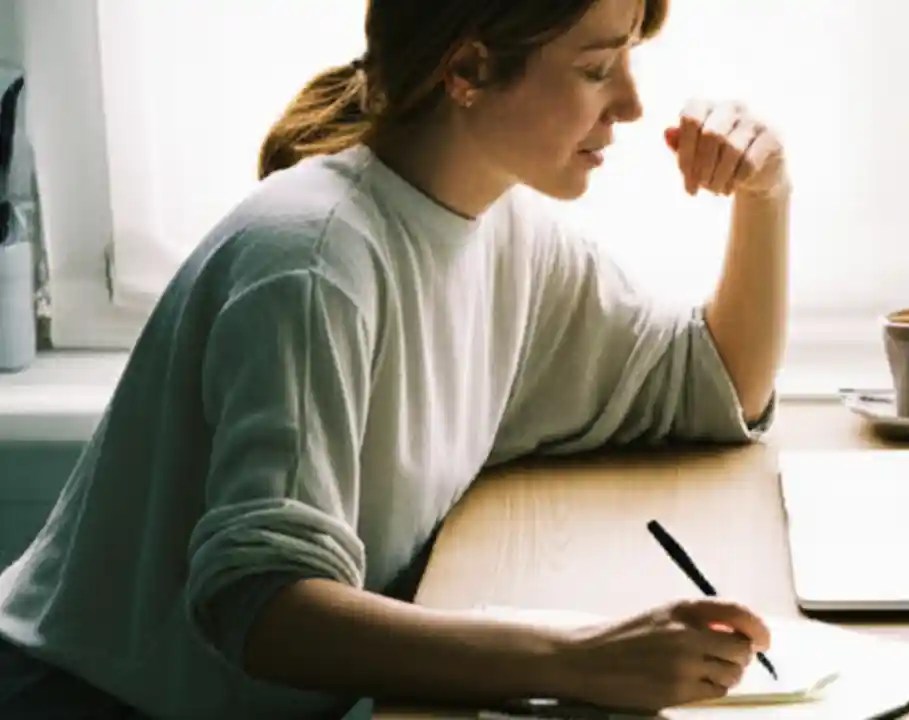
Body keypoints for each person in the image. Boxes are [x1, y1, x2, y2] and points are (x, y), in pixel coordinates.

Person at [0, 0, 791, 716]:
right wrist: (576, 659)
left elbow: (712, 386)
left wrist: (767, 198)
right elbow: (263, 609)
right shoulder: (313, 261)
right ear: (469, 71)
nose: (631, 103)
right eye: (595, 68)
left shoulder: (500, 227)